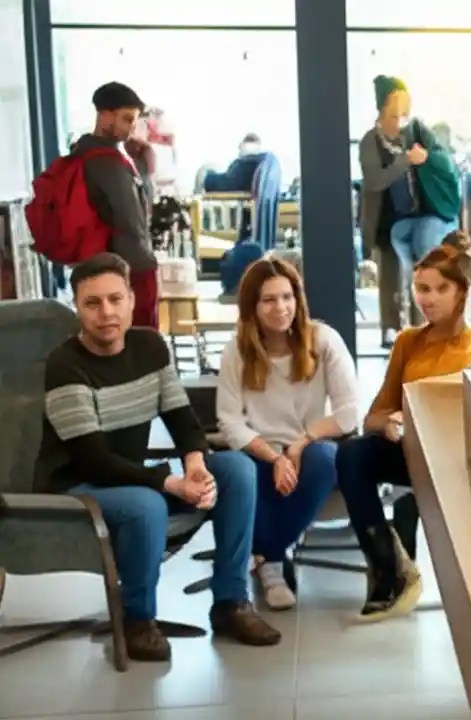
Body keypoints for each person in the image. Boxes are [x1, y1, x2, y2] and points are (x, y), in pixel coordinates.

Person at [34, 253, 281, 662]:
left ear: (132, 300)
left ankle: (231, 603)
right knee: (145, 503)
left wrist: (195, 466)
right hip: (76, 487)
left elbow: (183, 419)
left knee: (236, 468)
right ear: (77, 307)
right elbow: (93, 460)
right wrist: (171, 483)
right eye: (92, 303)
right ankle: (137, 619)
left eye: (115, 299)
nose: (106, 312)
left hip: (129, 479)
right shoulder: (65, 365)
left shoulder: (149, 346)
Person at [335, 231, 471, 622]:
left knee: (414, 474)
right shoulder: (407, 341)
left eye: (440, 289)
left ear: (462, 293)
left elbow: (465, 428)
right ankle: (387, 566)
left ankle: (398, 572)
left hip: (448, 459)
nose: (428, 298)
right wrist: (391, 422)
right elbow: (372, 417)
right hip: (405, 448)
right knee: (351, 453)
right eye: (422, 288)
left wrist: (413, 419)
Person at [216, 257, 360, 611]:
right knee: (243, 472)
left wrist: (299, 445)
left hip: (308, 449)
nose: (280, 307)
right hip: (258, 450)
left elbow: (349, 413)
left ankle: (267, 557)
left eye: (287, 297)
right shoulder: (237, 351)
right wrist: (275, 457)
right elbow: (229, 422)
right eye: (269, 300)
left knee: (324, 458)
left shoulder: (324, 340)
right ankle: (274, 561)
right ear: (252, 306)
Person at [359, 76, 461, 344]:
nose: (400, 113)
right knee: (391, 271)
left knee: (424, 267)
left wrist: (426, 158)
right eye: (394, 105)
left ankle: (422, 325)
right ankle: (391, 327)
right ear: (383, 106)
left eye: (404, 104)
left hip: (423, 213)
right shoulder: (370, 142)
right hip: (387, 217)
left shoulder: (417, 130)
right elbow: (374, 180)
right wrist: (405, 161)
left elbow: (443, 159)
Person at [74, 82, 159, 329]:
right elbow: (133, 219)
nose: (132, 127)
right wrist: (148, 266)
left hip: (100, 265)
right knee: (141, 337)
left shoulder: (84, 153)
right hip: (128, 268)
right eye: (127, 119)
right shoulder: (106, 162)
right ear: (105, 114)